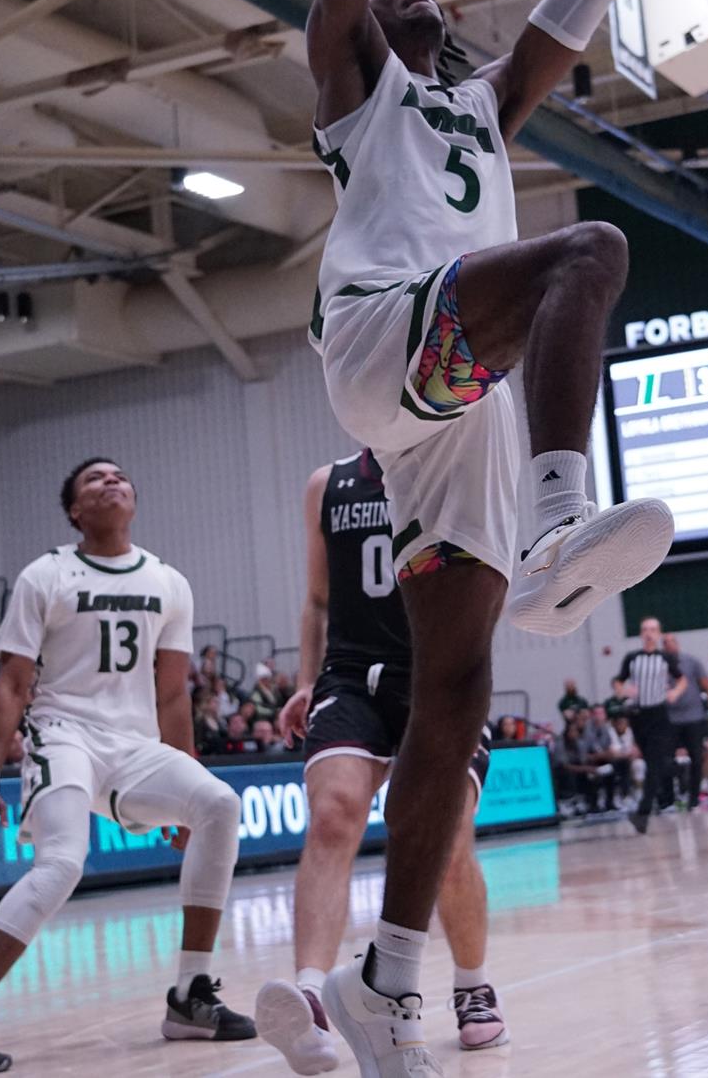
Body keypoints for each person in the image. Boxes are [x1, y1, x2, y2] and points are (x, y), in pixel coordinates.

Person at [305, 0, 672, 1071]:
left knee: (453, 687)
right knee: (591, 255)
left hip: (452, 397)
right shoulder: (356, 94)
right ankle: (570, 515)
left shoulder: (482, 107)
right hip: (382, 334)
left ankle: (390, 982)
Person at [0, 458, 253, 1074]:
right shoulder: (47, 574)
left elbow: (172, 695)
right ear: (74, 509)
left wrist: (187, 789)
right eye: (94, 479)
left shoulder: (169, 581)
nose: (111, 481)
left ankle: (190, 998)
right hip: (62, 734)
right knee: (62, 864)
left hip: (135, 745)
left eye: (120, 476)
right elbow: (12, 685)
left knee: (220, 804)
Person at [256, 452, 507, 1074]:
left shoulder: (454, 466)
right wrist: (306, 681)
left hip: (438, 677)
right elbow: (317, 601)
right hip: (349, 678)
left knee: (447, 844)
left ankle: (471, 983)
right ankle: (312, 997)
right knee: (333, 816)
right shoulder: (328, 484)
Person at [617, 621, 685, 836]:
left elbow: (682, 679)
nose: (648, 634)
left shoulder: (666, 658)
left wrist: (675, 693)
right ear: (640, 633)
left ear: (659, 634)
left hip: (658, 714)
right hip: (639, 716)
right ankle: (675, 774)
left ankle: (643, 812)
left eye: (653, 630)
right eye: (645, 630)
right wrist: (624, 691)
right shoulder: (632, 658)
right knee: (651, 763)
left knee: (654, 763)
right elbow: (617, 682)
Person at [652, 619, 708, 810]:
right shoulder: (657, 666)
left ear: (677, 644)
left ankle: (694, 797)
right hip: (670, 719)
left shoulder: (691, 662)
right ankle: (669, 798)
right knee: (665, 758)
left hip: (693, 717)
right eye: (665, 643)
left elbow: (706, 686)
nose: (668, 646)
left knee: (697, 757)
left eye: (671, 642)